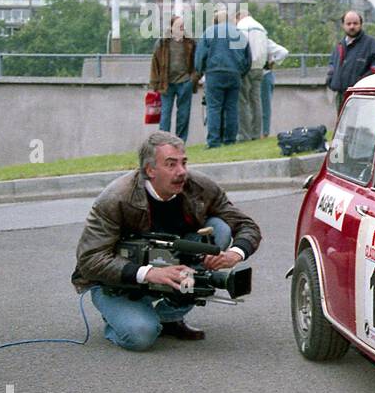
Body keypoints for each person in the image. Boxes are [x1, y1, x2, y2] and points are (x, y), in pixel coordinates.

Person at [72, 131, 262, 351]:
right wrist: (149, 273)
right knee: (141, 336)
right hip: (118, 282)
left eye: (184, 163)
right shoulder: (115, 199)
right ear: (150, 170)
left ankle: (169, 317)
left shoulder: (199, 187)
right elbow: (90, 260)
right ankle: (122, 317)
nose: (181, 172)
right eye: (171, 165)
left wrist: (235, 253)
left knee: (220, 229)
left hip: (172, 262)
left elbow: (246, 225)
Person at [194, 7, 251, 148]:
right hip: (234, 74)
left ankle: (214, 141)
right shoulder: (239, 34)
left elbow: (200, 55)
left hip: (214, 73)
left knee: (213, 107)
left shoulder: (209, 32)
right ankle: (230, 139)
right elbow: (248, 58)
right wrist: (240, 73)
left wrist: (201, 71)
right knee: (231, 107)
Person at [326, 10, 375, 110]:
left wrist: (360, 84)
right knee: (343, 125)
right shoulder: (340, 46)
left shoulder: (371, 44)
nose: (352, 26)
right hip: (341, 96)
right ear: (343, 25)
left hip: (362, 99)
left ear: (361, 24)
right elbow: (332, 65)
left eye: (355, 23)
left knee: (362, 125)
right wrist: (331, 79)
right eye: (348, 23)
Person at [148, 15, 196, 142]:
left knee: (184, 114)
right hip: (166, 83)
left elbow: (196, 61)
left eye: (183, 25)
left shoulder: (190, 42)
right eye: (179, 25)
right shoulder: (162, 43)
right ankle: (163, 142)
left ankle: (180, 141)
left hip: (185, 82)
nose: (182, 27)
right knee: (165, 114)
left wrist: (193, 79)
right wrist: (154, 84)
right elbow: (155, 64)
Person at [236, 8, 275, 142]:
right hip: (259, 68)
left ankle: (244, 134)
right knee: (256, 101)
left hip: (246, 68)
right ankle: (256, 133)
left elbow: (238, 49)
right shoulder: (261, 28)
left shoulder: (241, 27)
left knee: (243, 101)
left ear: (239, 17)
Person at [261, 40, 290, 138]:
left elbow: (283, 52)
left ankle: (264, 132)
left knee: (265, 106)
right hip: (264, 75)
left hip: (264, 74)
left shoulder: (265, 42)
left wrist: (272, 62)